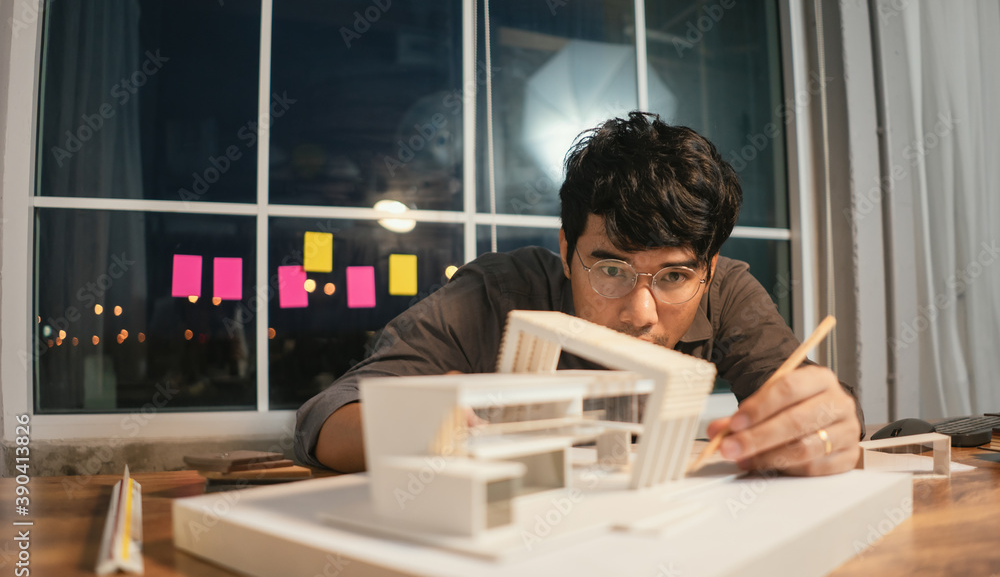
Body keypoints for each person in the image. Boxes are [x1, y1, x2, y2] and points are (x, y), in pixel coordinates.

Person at [294, 112, 863, 476]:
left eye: (673, 277)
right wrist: (430, 424)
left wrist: (826, 424)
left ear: (707, 271)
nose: (641, 315)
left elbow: (809, 403)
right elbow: (326, 422)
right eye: (611, 269)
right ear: (568, 250)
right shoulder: (498, 293)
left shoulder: (727, 290)